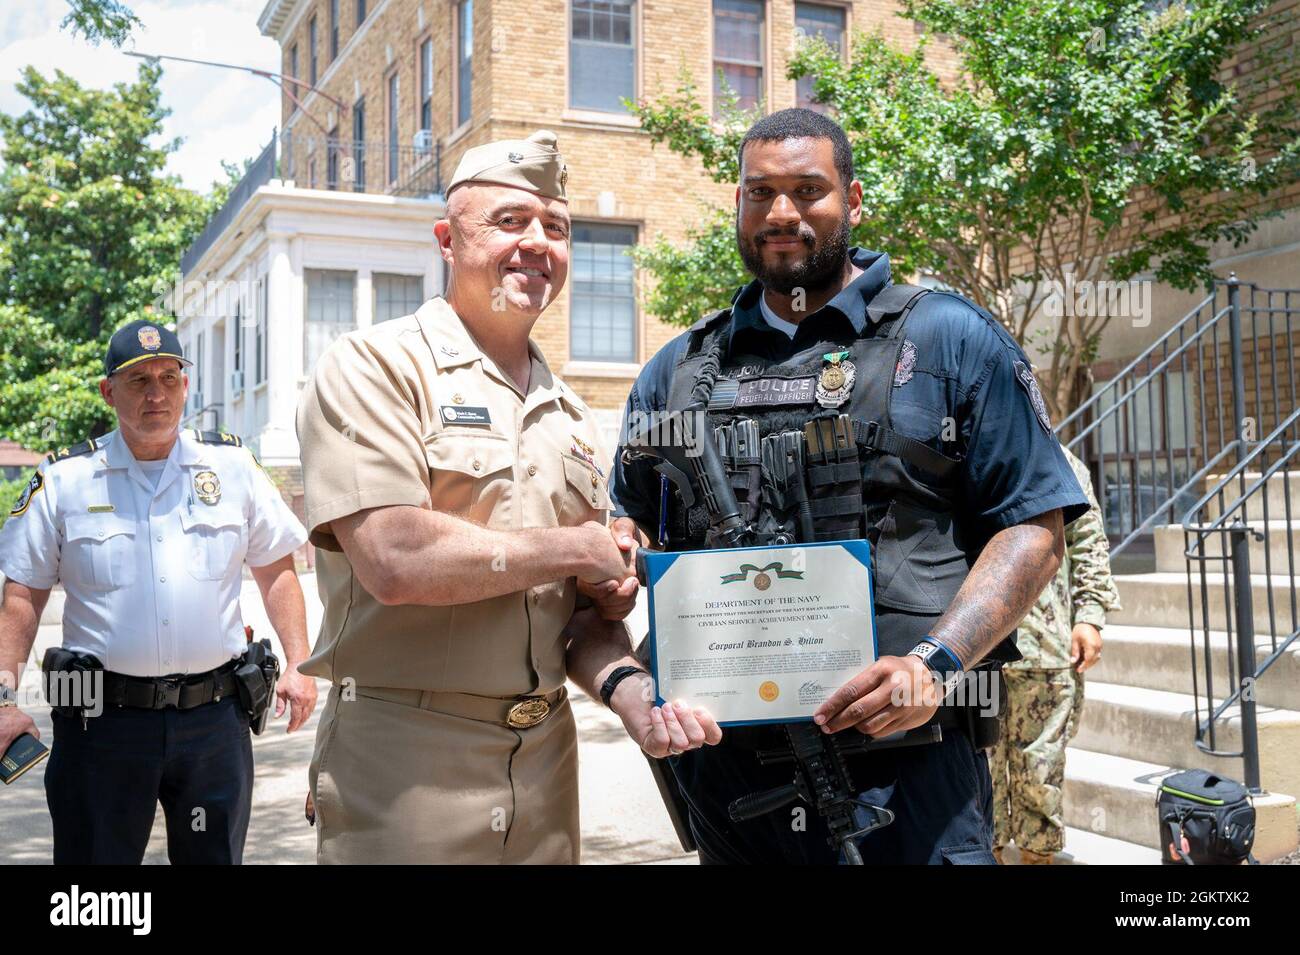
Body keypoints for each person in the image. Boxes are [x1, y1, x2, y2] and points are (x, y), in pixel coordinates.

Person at [603, 108, 1090, 864]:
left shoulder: (949, 340)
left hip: (911, 780)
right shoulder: (679, 369)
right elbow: (630, 523)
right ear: (738, 204)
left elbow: (1033, 527)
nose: (782, 213)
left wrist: (936, 663)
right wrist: (621, 551)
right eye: (759, 193)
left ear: (853, 201)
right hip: (732, 784)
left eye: (808, 189)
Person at [294, 130, 715, 865]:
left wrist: (637, 702)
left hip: (548, 759)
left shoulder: (575, 418)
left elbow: (580, 625)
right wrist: (577, 546)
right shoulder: (374, 366)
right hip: (405, 766)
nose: (537, 243)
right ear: (447, 240)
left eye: (556, 227)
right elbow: (394, 560)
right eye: (510, 221)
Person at [0, 319, 316, 864]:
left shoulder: (232, 467)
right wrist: (4, 699)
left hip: (214, 723)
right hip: (100, 726)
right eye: (138, 380)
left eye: (170, 377)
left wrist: (299, 662)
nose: (157, 393)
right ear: (108, 391)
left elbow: (276, 567)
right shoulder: (67, 479)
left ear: (186, 386)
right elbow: (22, 595)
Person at [991, 443, 1119, 864]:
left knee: (1040, 769)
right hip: (977, 650)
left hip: (1046, 646)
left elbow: (1087, 540)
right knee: (977, 769)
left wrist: (1090, 615)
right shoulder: (962, 451)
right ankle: (983, 851)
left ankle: (1037, 856)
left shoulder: (1058, 460)